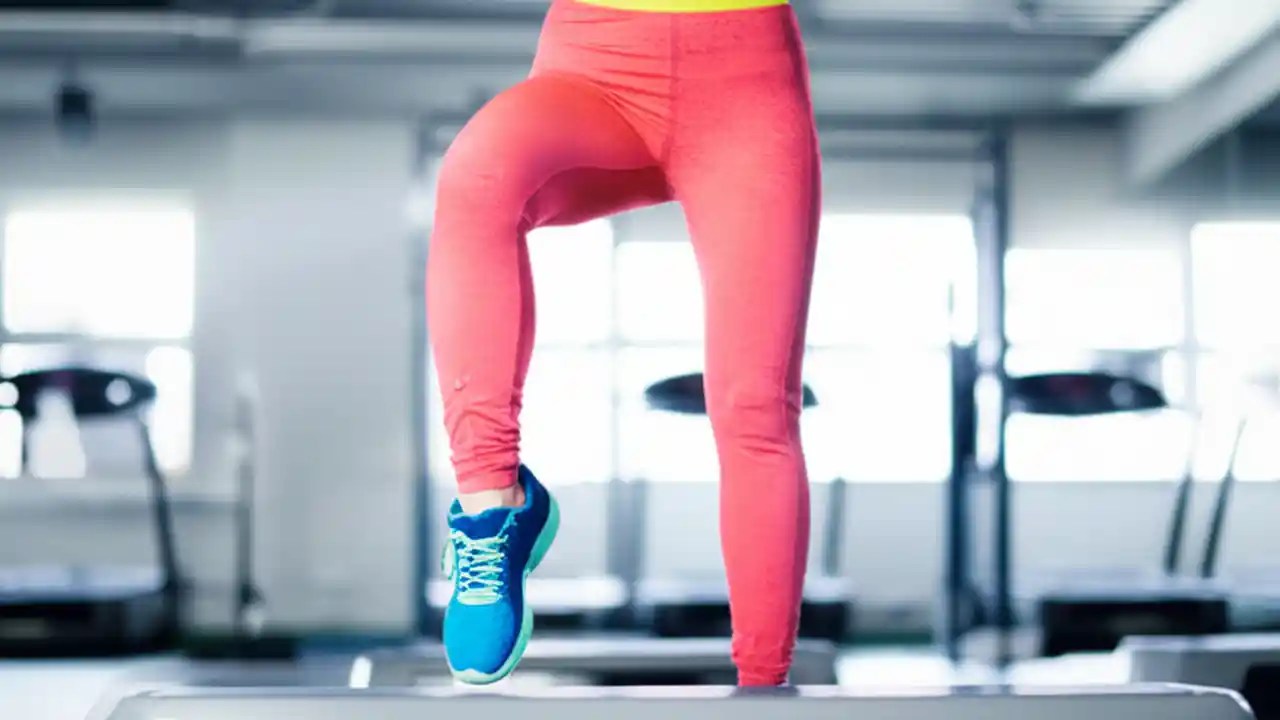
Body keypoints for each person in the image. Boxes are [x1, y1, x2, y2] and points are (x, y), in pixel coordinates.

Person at [428, 0, 821, 687]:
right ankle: (493, 507)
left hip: (746, 87)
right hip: (596, 65)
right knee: (474, 176)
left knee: (756, 403)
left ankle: (764, 683)